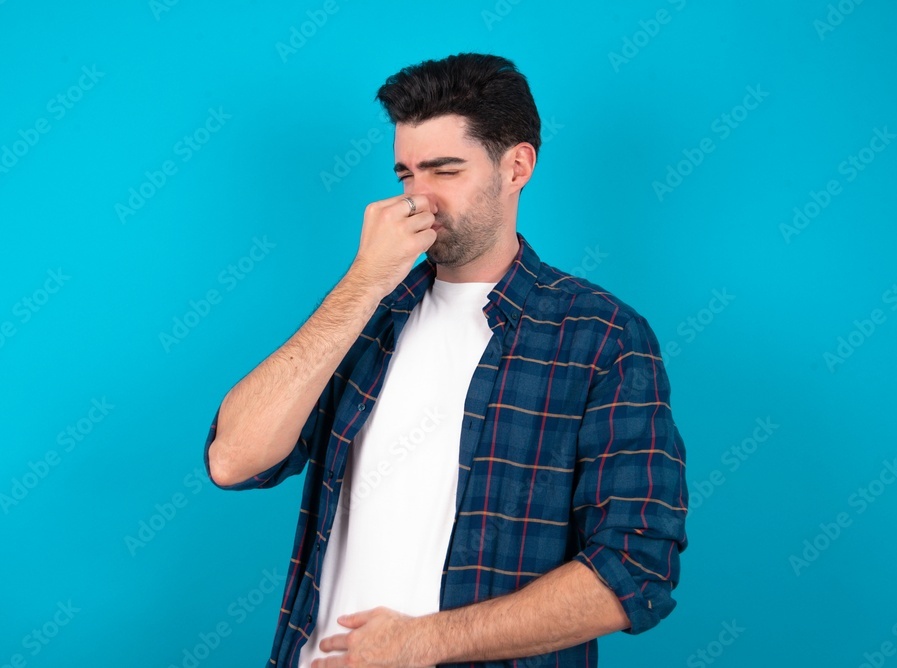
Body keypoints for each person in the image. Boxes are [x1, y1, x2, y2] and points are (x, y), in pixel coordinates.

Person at [203, 52, 688, 668]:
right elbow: (233, 459)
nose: (419, 200)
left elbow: (636, 570)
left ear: (517, 166)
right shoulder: (365, 313)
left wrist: (422, 642)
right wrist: (361, 284)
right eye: (406, 175)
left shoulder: (601, 336)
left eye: (444, 170)